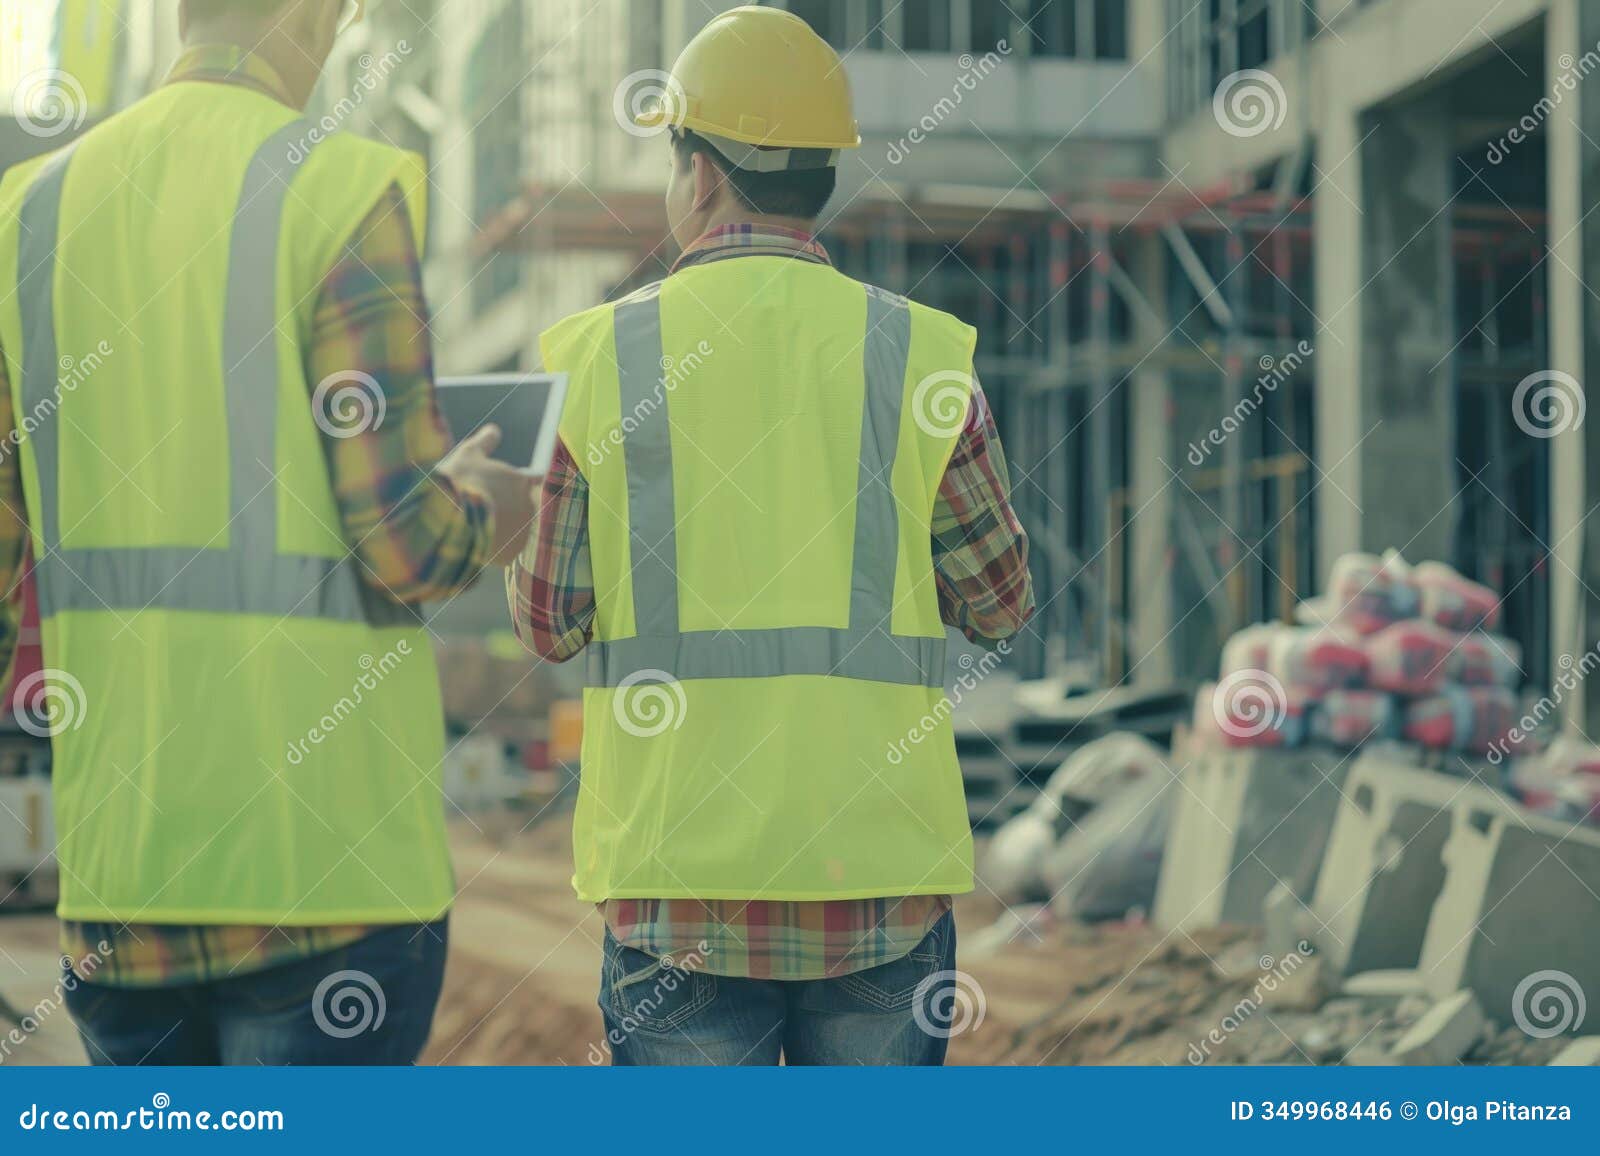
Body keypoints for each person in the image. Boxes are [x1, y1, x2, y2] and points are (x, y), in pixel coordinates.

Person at [0, 0, 538, 1064]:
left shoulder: (28, 210)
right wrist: (490, 503)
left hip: (125, 873)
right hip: (326, 875)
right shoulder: (341, 183)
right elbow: (408, 542)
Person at [508, 5, 1033, 1066]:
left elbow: (549, 620)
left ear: (700, 175)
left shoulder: (595, 359)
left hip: (677, 882)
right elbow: (1000, 602)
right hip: (876, 876)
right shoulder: (922, 356)